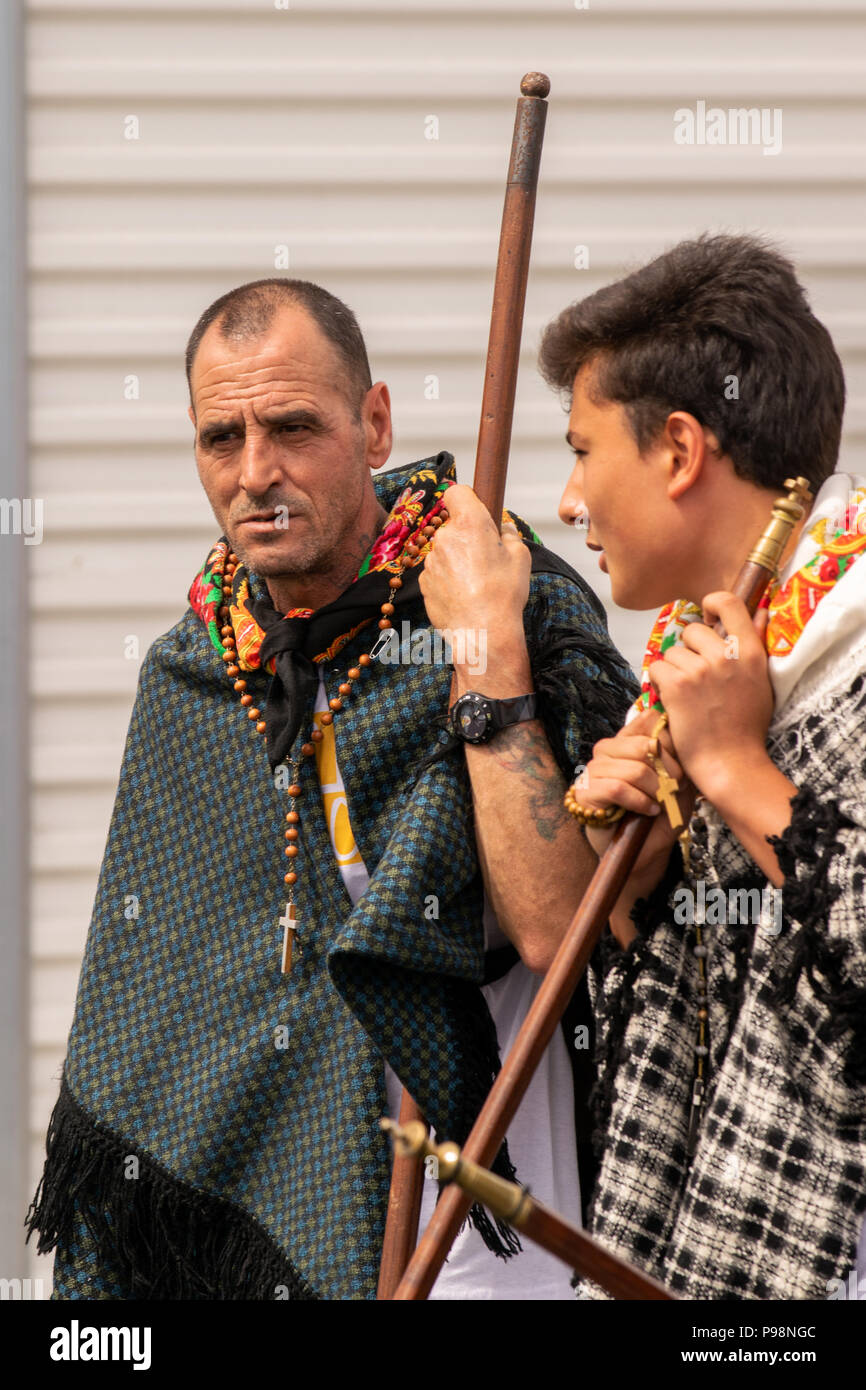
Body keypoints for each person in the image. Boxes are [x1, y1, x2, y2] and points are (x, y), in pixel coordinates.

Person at [26, 277, 637, 1300]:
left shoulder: (499, 594)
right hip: (273, 1256)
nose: (255, 472)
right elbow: (158, 1016)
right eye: (221, 437)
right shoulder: (194, 671)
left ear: (373, 422)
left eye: (292, 427)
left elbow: (559, 925)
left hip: (496, 1230)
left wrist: (486, 666)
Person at [541, 233, 866, 1299]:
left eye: (583, 450)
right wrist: (627, 891)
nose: (566, 500)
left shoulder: (846, 646)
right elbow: (693, 1028)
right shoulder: (698, 669)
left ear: (677, 450)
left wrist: (734, 766)